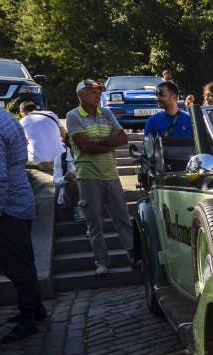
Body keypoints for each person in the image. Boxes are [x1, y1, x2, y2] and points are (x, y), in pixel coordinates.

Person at [66, 79, 134, 276]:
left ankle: (133, 257)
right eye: (93, 92)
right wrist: (109, 144)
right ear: (81, 95)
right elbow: (84, 146)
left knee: (123, 219)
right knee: (94, 222)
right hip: (87, 176)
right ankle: (101, 262)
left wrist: (100, 141)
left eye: (98, 92)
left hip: (111, 174)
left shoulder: (106, 113)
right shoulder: (73, 116)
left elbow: (123, 138)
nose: (98, 95)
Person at [0, 106, 47, 343]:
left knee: (17, 265)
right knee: (23, 261)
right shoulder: (3, 117)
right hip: (18, 199)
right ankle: (36, 309)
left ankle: (28, 319)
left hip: (9, 206)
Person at [18, 100, 65, 171]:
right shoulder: (51, 114)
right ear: (36, 108)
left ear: (22, 111)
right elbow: (64, 135)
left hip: (36, 161)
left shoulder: (21, 122)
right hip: (60, 158)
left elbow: (21, 144)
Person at [53, 134, 84, 222]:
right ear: (68, 141)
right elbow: (56, 183)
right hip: (68, 194)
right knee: (71, 181)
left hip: (87, 190)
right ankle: (79, 212)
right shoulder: (60, 158)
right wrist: (66, 178)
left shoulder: (89, 156)